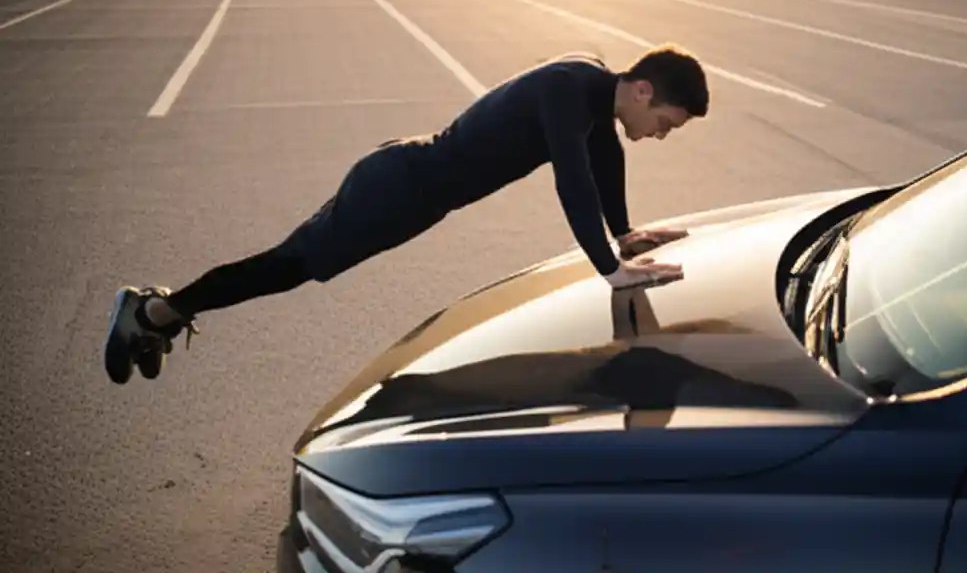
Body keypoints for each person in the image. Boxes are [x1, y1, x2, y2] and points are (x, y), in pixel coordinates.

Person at [104, 44, 710, 384]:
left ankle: (157, 313)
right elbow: (573, 179)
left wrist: (625, 234)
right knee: (289, 268)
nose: (659, 137)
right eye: (665, 125)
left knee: (290, 265)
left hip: (410, 192)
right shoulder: (566, 90)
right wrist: (608, 267)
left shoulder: (591, 98)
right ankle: (153, 310)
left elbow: (602, 168)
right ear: (642, 91)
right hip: (395, 189)